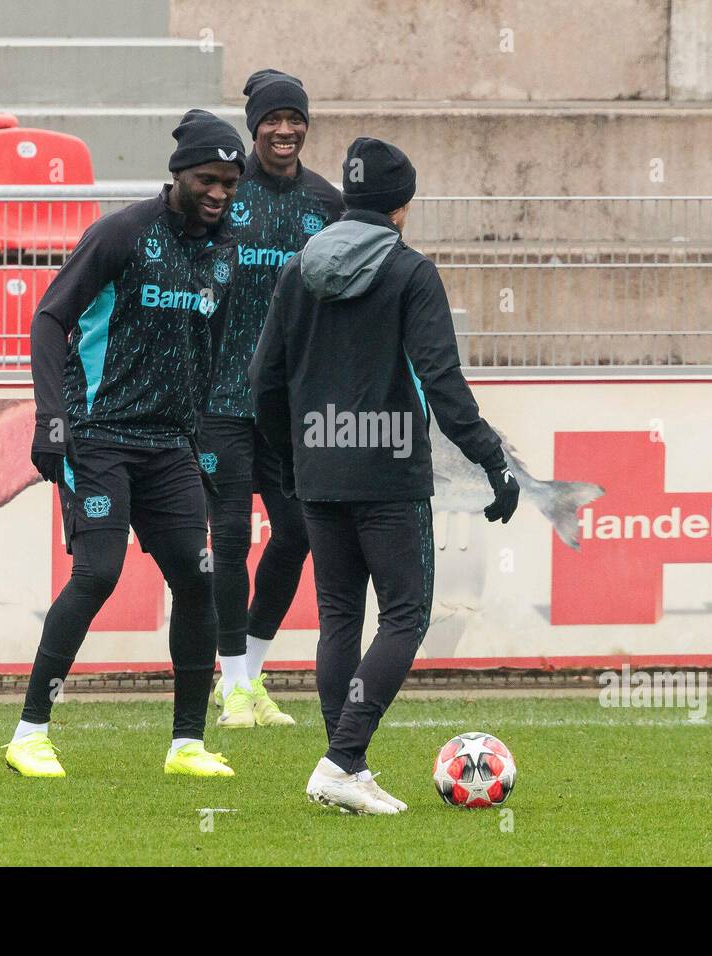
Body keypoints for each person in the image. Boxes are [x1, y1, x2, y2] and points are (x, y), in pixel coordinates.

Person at [250, 137, 520, 813]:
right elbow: (443, 383)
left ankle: (349, 764)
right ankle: (341, 760)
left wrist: (290, 459)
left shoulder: (297, 270)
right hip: (388, 470)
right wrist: (492, 460)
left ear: (346, 198)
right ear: (402, 207)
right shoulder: (410, 273)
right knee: (404, 616)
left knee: (339, 617)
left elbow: (263, 382)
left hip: (318, 467)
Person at [5, 109, 246, 779]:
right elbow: (50, 319)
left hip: (170, 443)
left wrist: (203, 436)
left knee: (198, 581)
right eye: (208, 178)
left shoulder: (225, 250)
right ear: (178, 174)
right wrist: (52, 420)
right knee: (98, 575)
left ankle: (187, 745)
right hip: (99, 435)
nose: (219, 193)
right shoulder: (120, 234)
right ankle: (30, 732)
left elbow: (212, 349)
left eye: (230, 182)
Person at [201, 69, 344, 730]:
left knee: (295, 533)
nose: (284, 130)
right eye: (272, 120)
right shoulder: (224, 194)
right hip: (221, 398)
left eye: (294, 118)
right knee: (228, 537)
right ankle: (229, 683)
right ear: (254, 126)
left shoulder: (327, 204)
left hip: (289, 407)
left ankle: (250, 677)